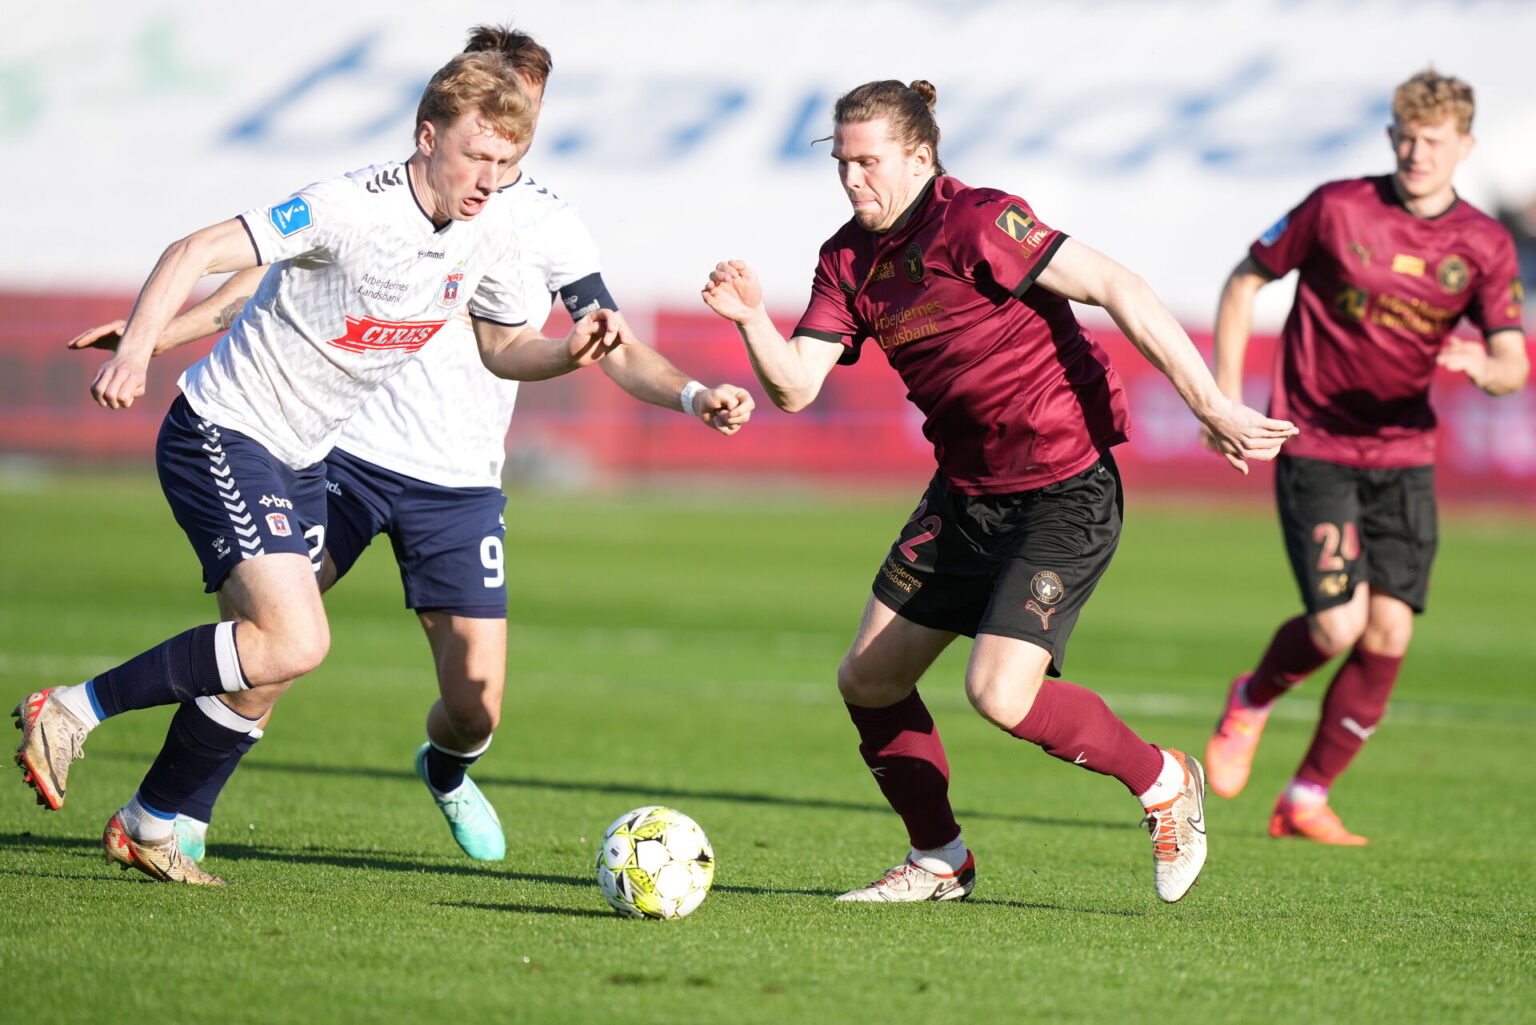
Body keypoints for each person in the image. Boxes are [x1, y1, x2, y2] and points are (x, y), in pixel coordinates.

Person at [63, 25, 754, 869]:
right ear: (451, 114)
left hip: (457, 484)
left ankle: (447, 768)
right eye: (491, 116)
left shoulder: (529, 223)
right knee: (272, 639)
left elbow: (576, 343)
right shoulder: (385, 198)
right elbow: (257, 282)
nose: (500, 153)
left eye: (521, 119)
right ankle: (169, 810)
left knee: (474, 705)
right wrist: (152, 337)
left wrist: (685, 391)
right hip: (343, 456)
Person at [701, 79, 1298, 904]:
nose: (852, 181)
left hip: (1064, 489)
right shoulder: (846, 258)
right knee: (867, 681)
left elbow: (1119, 286)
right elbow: (798, 386)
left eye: (867, 163)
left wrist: (1212, 404)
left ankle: (1165, 780)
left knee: (998, 691)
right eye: (841, 164)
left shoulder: (978, 218)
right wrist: (749, 319)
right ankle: (940, 858)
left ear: (919, 156)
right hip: (965, 493)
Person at [1203, 69, 1528, 844]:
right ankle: (1250, 695)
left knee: (1390, 633)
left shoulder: (1482, 244)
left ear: (1465, 146)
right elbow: (1246, 280)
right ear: (1391, 136)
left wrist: (1485, 367)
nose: (1417, 153)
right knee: (1338, 624)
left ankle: (1307, 795)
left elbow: (1512, 362)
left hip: (1405, 456)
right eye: (1406, 137)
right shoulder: (1337, 207)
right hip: (1315, 440)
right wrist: (1222, 396)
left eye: (1434, 141)